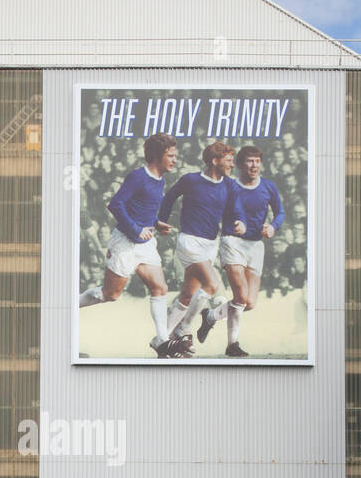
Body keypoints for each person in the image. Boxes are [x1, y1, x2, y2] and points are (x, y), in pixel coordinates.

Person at [79, 133, 187, 358]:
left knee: (160, 288)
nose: (175, 160)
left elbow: (142, 208)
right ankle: (69, 306)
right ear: (158, 156)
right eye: (171, 155)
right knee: (110, 295)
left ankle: (162, 340)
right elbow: (116, 205)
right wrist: (136, 229)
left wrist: (156, 223)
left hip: (145, 244)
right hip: (126, 243)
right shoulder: (138, 177)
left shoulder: (161, 179)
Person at [202, 145, 284, 358]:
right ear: (239, 165)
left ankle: (211, 316)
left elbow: (280, 212)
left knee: (248, 303)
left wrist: (273, 226)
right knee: (241, 295)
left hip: (256, 245)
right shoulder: (229, 186)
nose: (254, 165)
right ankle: (233, 344)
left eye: (257, 161)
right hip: (233, 242)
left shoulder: (268, 186)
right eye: (249, 161)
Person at [156, 141, 235, 346]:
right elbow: (169, 197)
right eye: (228, 161)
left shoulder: (228, 184)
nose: (232, 165)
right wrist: (161, 220)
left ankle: (161, 338)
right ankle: (184, 328)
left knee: (187, 295)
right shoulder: (191, 180)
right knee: (212, 284)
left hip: (211, 245)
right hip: (189, 242)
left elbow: (236, 209)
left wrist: (240, 222)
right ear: (214, 161)